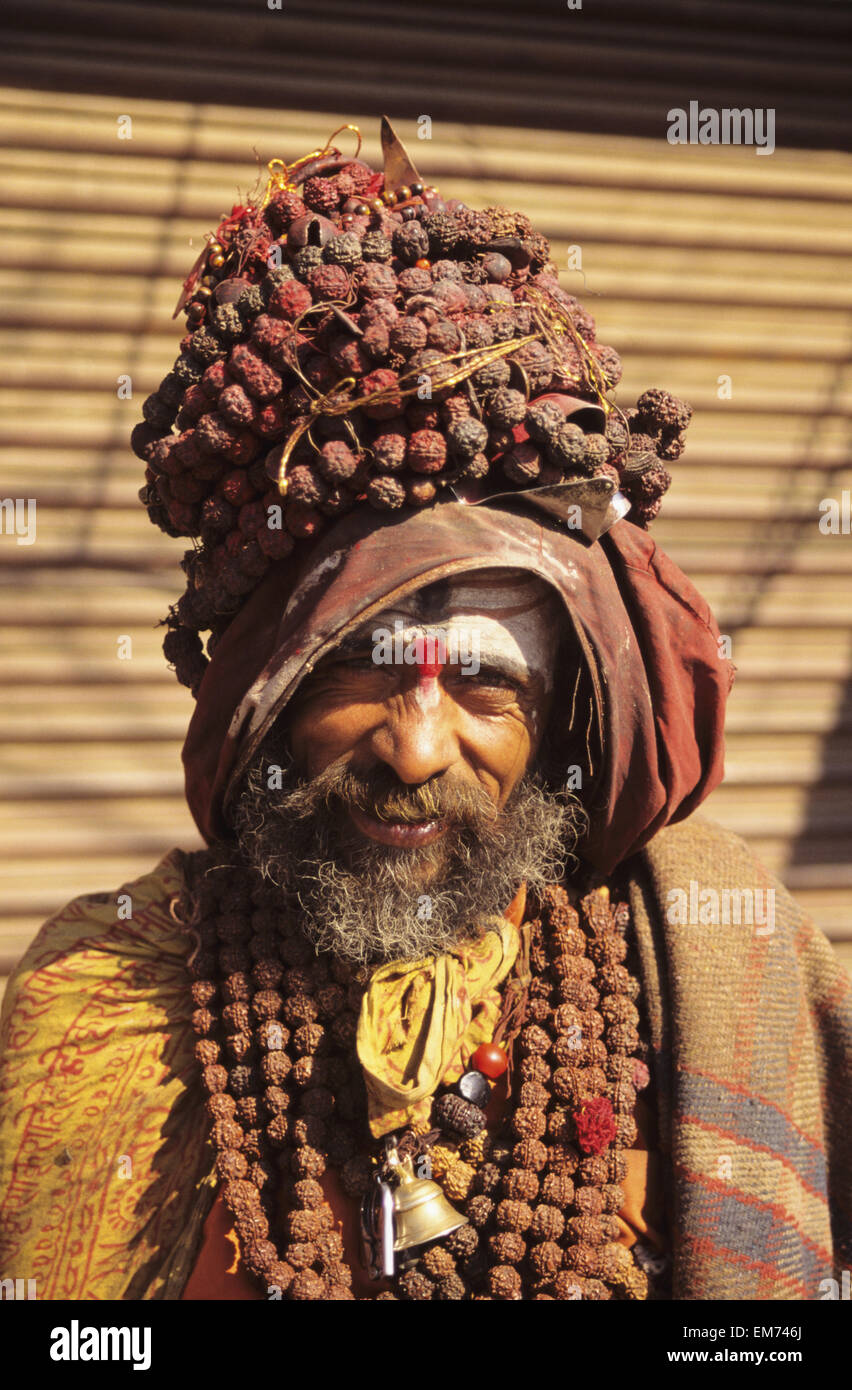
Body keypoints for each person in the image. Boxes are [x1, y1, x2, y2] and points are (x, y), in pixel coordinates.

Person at [0, 123, 849, 1302]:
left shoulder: (720, 963)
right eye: (360, 671)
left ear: (560, 720)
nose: (417, 744)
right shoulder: (109, 999)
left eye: (489, 684)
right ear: (270, 699)